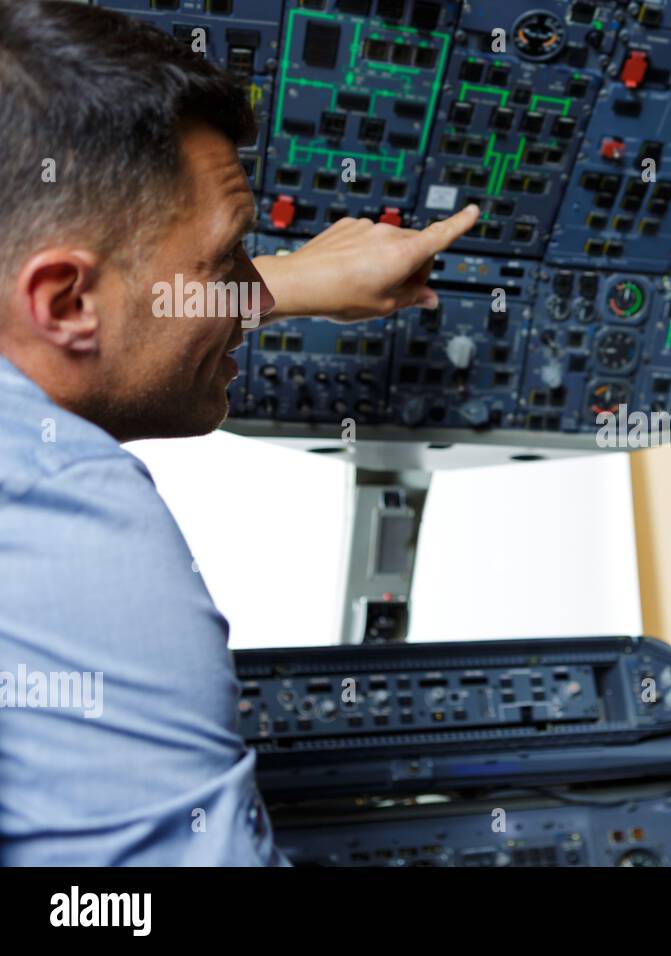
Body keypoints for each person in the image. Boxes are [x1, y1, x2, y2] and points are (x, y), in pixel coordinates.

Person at [0, 0, 478, 863]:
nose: (252, 301)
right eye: (226, 263)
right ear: (66, 302)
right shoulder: (67, 513)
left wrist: (288, 278)